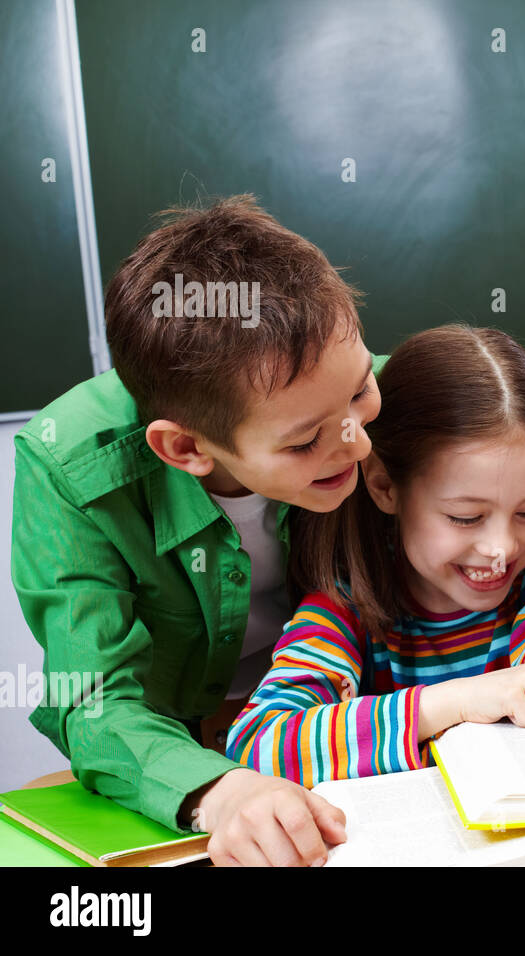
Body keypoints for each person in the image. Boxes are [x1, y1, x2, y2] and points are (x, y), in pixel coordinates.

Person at [11, 195, 378, 865]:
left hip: (340, 726)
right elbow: (92, 702)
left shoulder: (326, 374)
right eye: (303, 445)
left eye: (360, 393)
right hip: (185, 765)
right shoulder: (68, 465)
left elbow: (518, 426)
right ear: (184, 449)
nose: (355, 442)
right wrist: (225, 792)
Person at [228, 326, 525, 795]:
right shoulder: (348, 603)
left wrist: (372, 742)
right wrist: (456, 702)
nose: (501, 548)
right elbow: (259, 745)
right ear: (385, 487)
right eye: (466, 517)